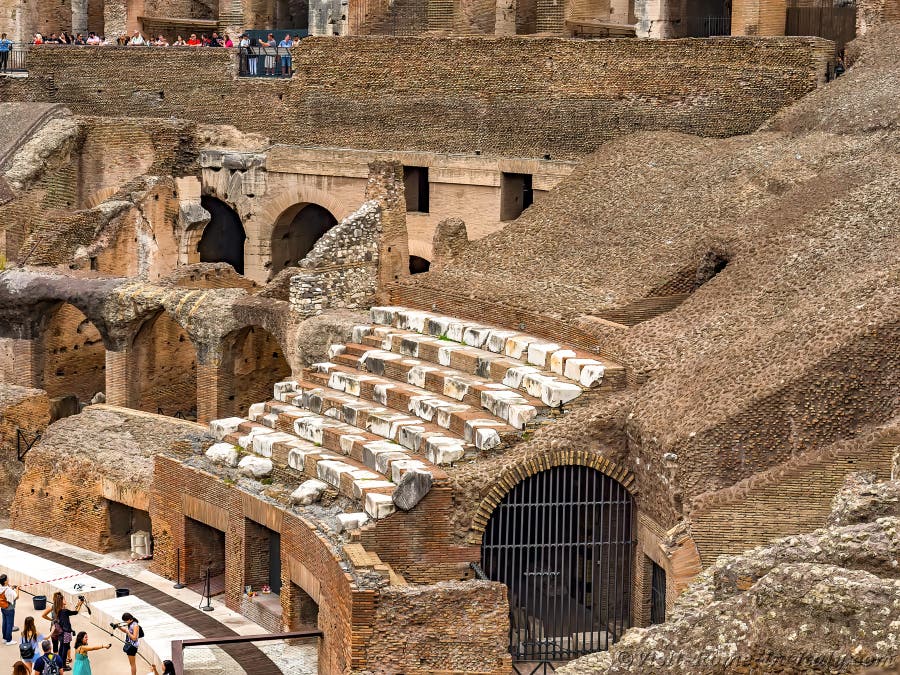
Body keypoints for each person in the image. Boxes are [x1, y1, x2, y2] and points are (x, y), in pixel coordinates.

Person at [41, 595, 82, 670]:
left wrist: (78, 604)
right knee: (65, 649)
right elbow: (75, 612)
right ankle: (63, 666)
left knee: (61, 648)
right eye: (64, 599)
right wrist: (80, 604)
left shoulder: (57, 610)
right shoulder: (65, 611)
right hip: (66, 633)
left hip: (61, 633)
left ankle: (59, 663)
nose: (65, 600)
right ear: (61, 602)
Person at [0, 574, 20, 645]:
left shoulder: (1, 588)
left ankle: (4, 638)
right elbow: (16, 597)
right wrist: (17, 589)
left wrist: (11, 588)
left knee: (4, 623)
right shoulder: (8, 590)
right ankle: (9, 640)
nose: (8, 579)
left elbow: (7, 591)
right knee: (9, 624)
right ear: (5, 581)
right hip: (9, 609)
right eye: (7, 579)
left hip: (3, 608)